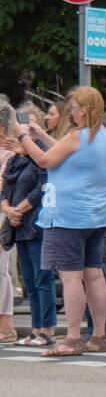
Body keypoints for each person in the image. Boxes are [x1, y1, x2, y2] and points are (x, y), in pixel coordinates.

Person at [13, 86, 106, 356]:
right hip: (97, 214)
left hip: (68, 215)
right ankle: (99, 335)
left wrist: (24, 136)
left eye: (74, 107)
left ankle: (71, 338)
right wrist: (41, 134)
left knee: (71, 278)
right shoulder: (105, 136)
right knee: (93, 274)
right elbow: (67, 152)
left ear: (84, 109)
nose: (71, 110)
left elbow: (46, 160)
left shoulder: (76, 136)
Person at [1, 113, 54, 346]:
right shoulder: (16, 159)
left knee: (43, 279)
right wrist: (8, 209)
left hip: (37, 223)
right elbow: (5, 187)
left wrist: (19, 209)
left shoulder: (42, 155)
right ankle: (35, 329)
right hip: (18, 226)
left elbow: (44, 186)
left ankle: (47, 330)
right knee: (30, 281)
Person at [0, 104, 17, 343]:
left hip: (3, 214)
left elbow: (5, 186)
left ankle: (6, 324)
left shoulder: (10, 154)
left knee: (1, 270)